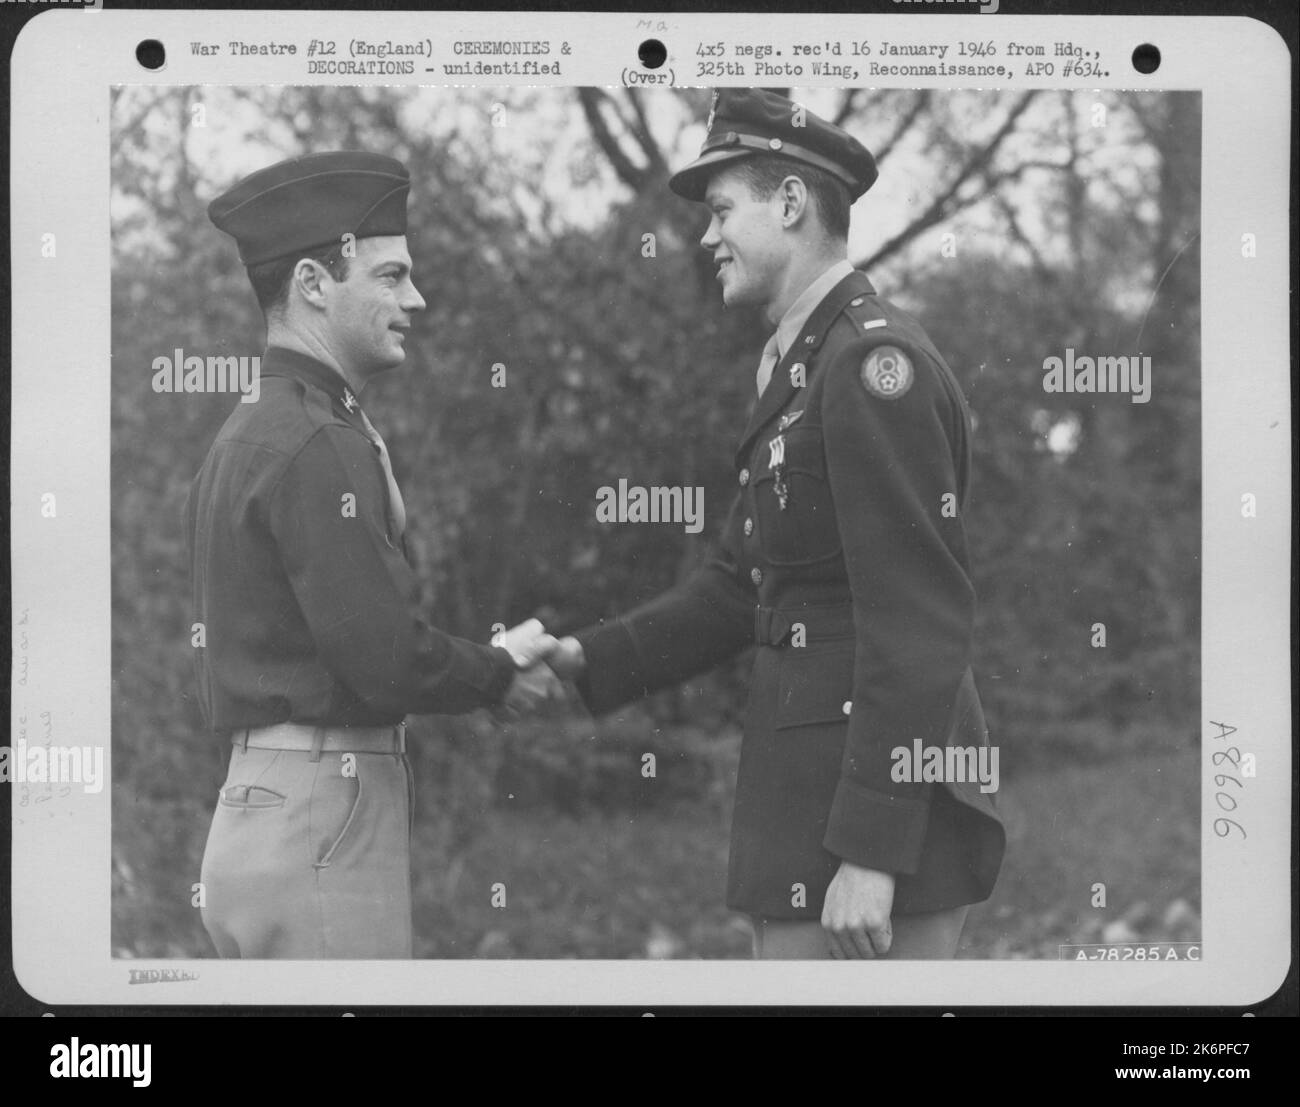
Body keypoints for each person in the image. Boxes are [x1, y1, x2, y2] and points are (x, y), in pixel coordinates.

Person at [546, 90, 1006, 959]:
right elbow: (738, 586)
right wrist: (587, 658)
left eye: (723, 210)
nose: (707, 235)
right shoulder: (803, 364)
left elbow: (918, 616)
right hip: (808, 807)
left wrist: (872, 851)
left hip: (869, 832)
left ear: (790, 204)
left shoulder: (872, 365)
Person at [188, 151, 560, 958]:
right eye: (390, 276)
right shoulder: (318, 437)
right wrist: (498, 671)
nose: (414, 299)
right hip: (326, 803)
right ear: (316, 283)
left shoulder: (253, 426)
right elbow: (384, 656)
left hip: (257, 805)